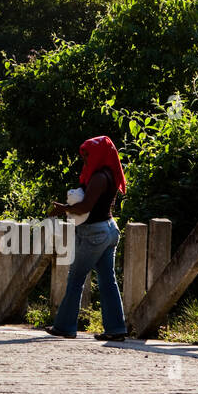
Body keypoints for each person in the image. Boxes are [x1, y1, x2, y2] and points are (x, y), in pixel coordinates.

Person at [46, 135, 128, 341]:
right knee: (108, 280)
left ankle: (65, 326)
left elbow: (86, 206)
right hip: (109, 230)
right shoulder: (110, 174)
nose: (85, 159)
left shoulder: (99, 177)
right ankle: (116, 329)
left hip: (95, 233)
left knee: (76, 278)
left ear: (99, 154)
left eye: (88, 155)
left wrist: (64, 209)